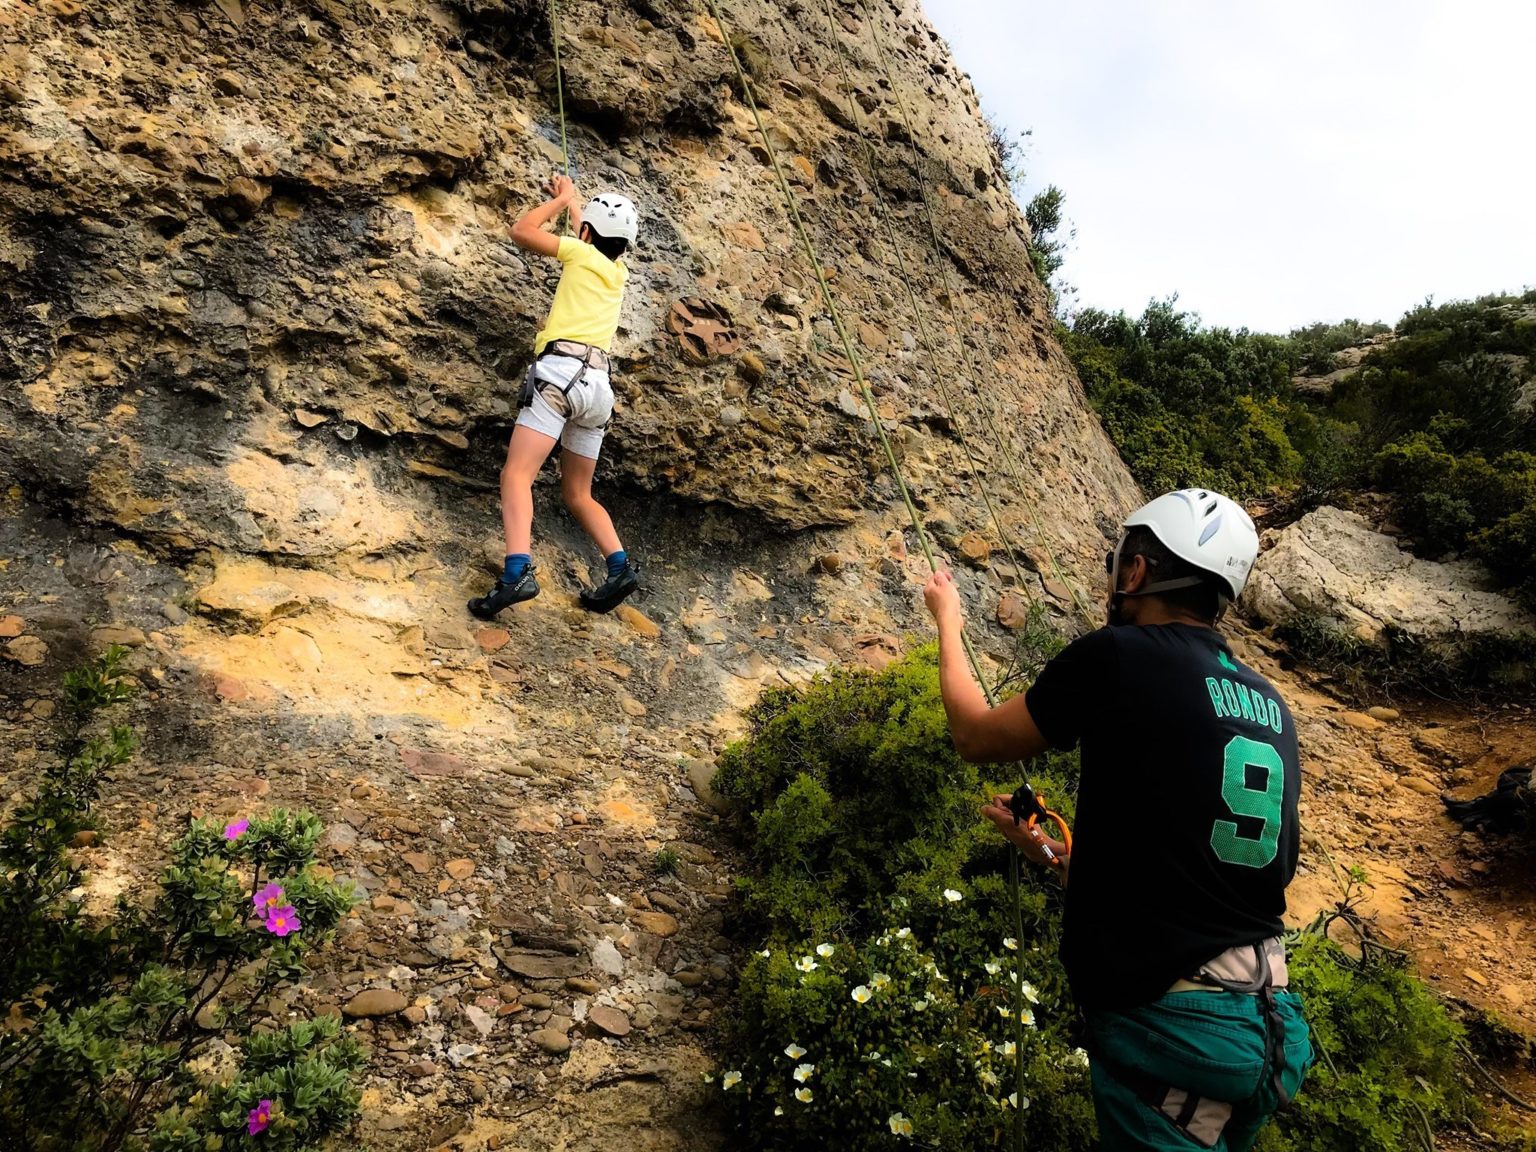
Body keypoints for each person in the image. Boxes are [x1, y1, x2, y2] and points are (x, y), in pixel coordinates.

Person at [923, 489, 1312, 1152]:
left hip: (1175, 1035)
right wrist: (1044, 850)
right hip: (1266, 1029)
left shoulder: (1118, 656)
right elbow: (1204, 882)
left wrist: (948, 621)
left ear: (1136, 571)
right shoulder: (1271, 704)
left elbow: (973, 736)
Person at [469, 175, 641, 619]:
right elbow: (592, 234)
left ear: (586, 235)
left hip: (560, 377)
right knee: (579, 493)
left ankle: (516, 572)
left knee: (517, 475)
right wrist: (576, 205)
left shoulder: (580, 251)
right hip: (598, 388)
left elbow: (522, 230)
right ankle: (619, 567)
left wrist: (562, 199)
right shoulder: (617, 271)